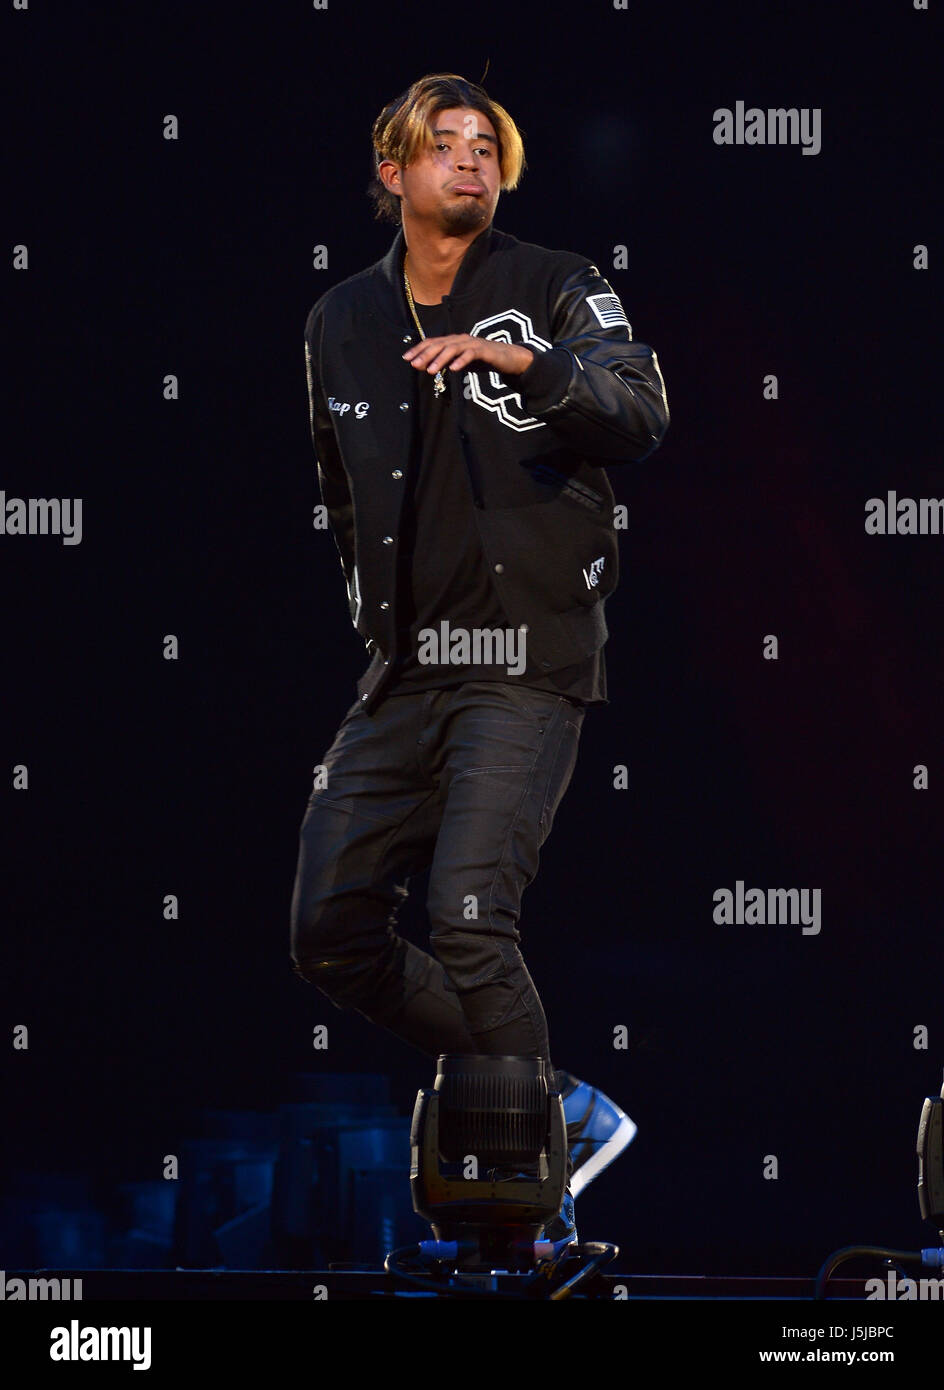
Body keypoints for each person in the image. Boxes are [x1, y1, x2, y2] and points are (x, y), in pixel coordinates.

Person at [291, 72, 668, 1246]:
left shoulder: (555, 282)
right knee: (330, 927)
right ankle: (552, 1103)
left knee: (465, 914)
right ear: (392, 173)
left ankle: (529, 1192)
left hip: (524, 656)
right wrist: (370, 617)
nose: (468, 160)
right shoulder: (339, 319)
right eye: (440, 145)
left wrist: (527, 368)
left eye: (484, 146)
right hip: (405, 666)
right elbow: (339, 495)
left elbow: (638, 412)